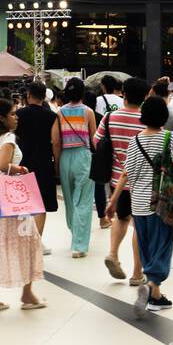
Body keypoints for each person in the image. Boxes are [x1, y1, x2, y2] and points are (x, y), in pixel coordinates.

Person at [107, 96, 173, 317]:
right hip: (162, 203)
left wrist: (112, 201)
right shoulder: (170, 137)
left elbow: (126, 174)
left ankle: (156, 296)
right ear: (164, 116)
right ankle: (150, 286)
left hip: (138, 204)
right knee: (162, 246)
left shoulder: (136, 140)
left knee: (147, 247)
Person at [0, 99, 46, 312]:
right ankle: (27, 293)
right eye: (13, 114)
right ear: (2, 118)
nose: (17, 117)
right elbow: (4, 165)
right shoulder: (8, 137)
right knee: (28, 240)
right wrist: (21, 169)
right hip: (11, 198)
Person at [93, 77, 149, 285]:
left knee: (122, 218)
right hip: (142, 181)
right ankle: (137, 273)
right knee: (140, 225)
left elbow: (97, 142)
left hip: (117, 179)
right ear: (144, 96)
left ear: (123, 93)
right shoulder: (146, 119)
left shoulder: (109, 117)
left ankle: (113, 254)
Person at [13, 82, 61, 253]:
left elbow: (13, 137)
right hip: (44, 163)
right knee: (41, 204)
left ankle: (23, 239)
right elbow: (55, 142)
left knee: (23, 203)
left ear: (28, 95)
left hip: (22, 164)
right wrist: (57, 165)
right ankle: (36, 241)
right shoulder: (52, 116)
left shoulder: (18, 114)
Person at [57, 78, 96, 257]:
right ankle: (79, 245)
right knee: (84, 200)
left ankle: (75, 234)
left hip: (65, 156)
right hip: (83, 156)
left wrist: (57, 164)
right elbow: (94, 139)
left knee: (70, 199)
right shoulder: (88, 112)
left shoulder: (60, 112)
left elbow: (56, 141)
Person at [93, 76, 124, 230]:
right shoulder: (122, 100)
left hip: (104, 144)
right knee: (119, 177)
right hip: (120, 142)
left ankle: (103, 217)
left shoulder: (98, 100)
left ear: (104, 86)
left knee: (100, 181)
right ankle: (118, 210)